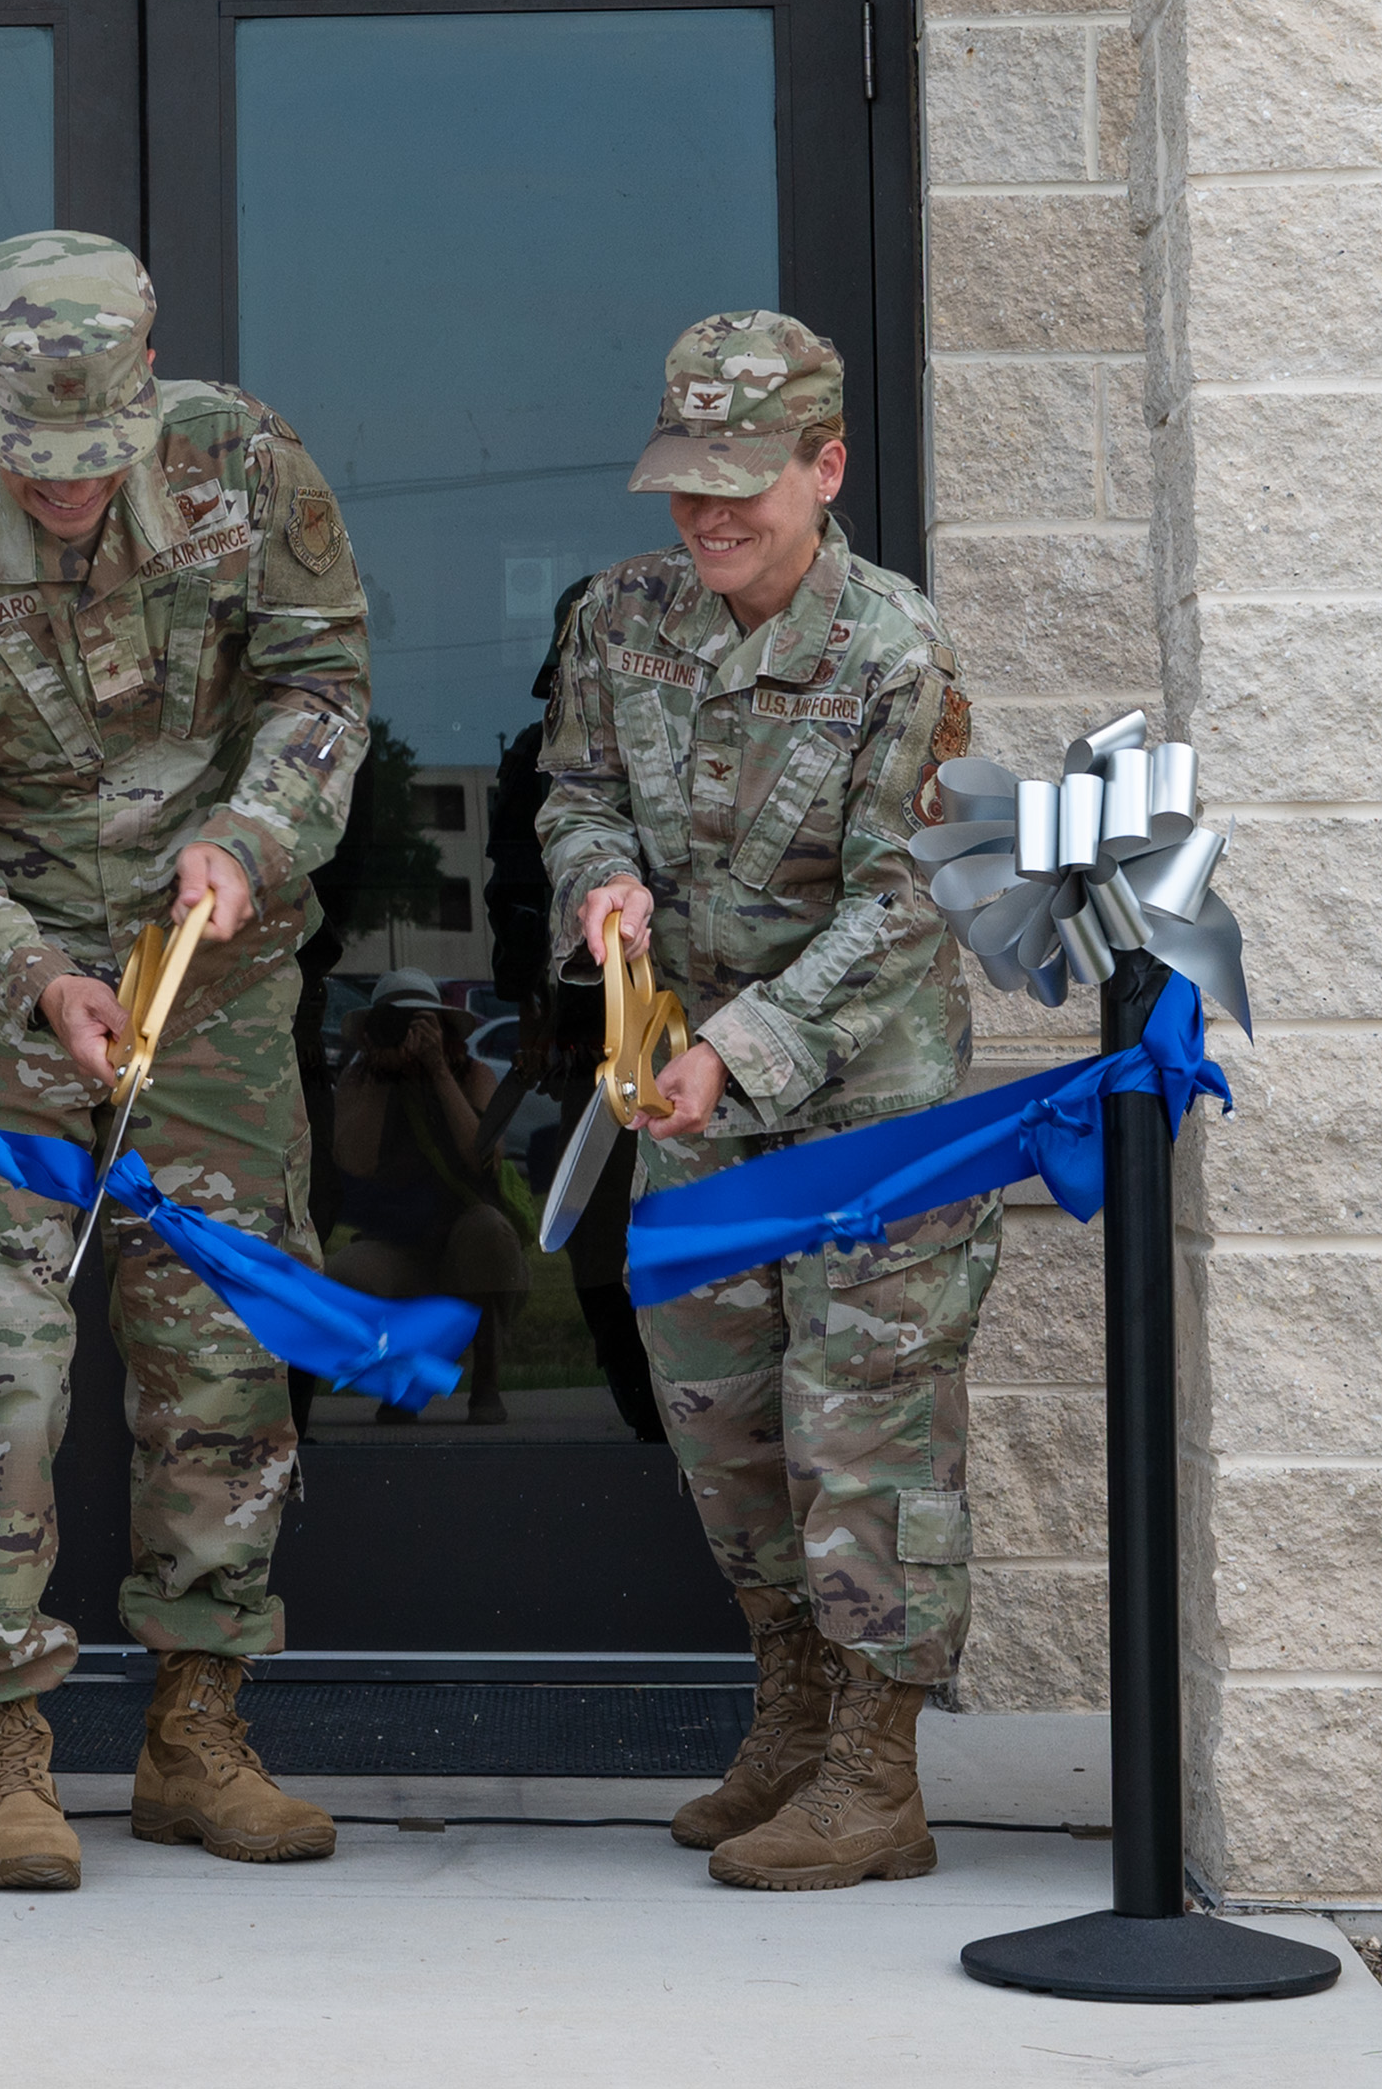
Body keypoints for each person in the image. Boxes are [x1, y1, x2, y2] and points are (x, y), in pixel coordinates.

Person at [0, 230, 369, 1892]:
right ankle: (2, 1749)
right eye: (35, 470)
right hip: (3, 1008)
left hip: (219, 988)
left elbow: (321, 679)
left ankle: (198, 1733)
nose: (69, 496)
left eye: (96, 467)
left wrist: (257, 834)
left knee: (222, 1357)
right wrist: (41, 974)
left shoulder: (249, 468)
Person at [534, 310, 992, 1893]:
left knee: (861, 1434)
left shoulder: (895, 650)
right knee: (725, 1425)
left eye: (745, 484)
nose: (711, 517)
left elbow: (901, 902)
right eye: (686, 485)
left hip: (864, 1110)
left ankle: (878, 1768)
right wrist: (600, 892)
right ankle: (789, 1718)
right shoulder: (619, 617)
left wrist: (738, 1042)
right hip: (690, 1101)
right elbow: (576, 789)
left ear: (828, 465)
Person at [481, 581, 664, 1445]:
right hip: (588, 1027)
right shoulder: (535, 761)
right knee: (597, 1226)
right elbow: (513, 898)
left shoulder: (684, 730)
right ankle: (637, 1409)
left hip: (704, 1022)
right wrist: (536, 1009)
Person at [325, 969, 520, 1424]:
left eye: (420, 1023)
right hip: (398, 1247)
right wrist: (378, 1074)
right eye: (395, 1022)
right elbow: (355, 1161)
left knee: (488, 1231)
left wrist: (437, 1072)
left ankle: (486, 1381)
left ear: (441, 1026)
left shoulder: (472, 1074)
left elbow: (482, 1157)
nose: (407, 1033)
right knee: (345, 1273)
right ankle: (399, 1381)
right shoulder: (359, 1081)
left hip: (466, 1245)